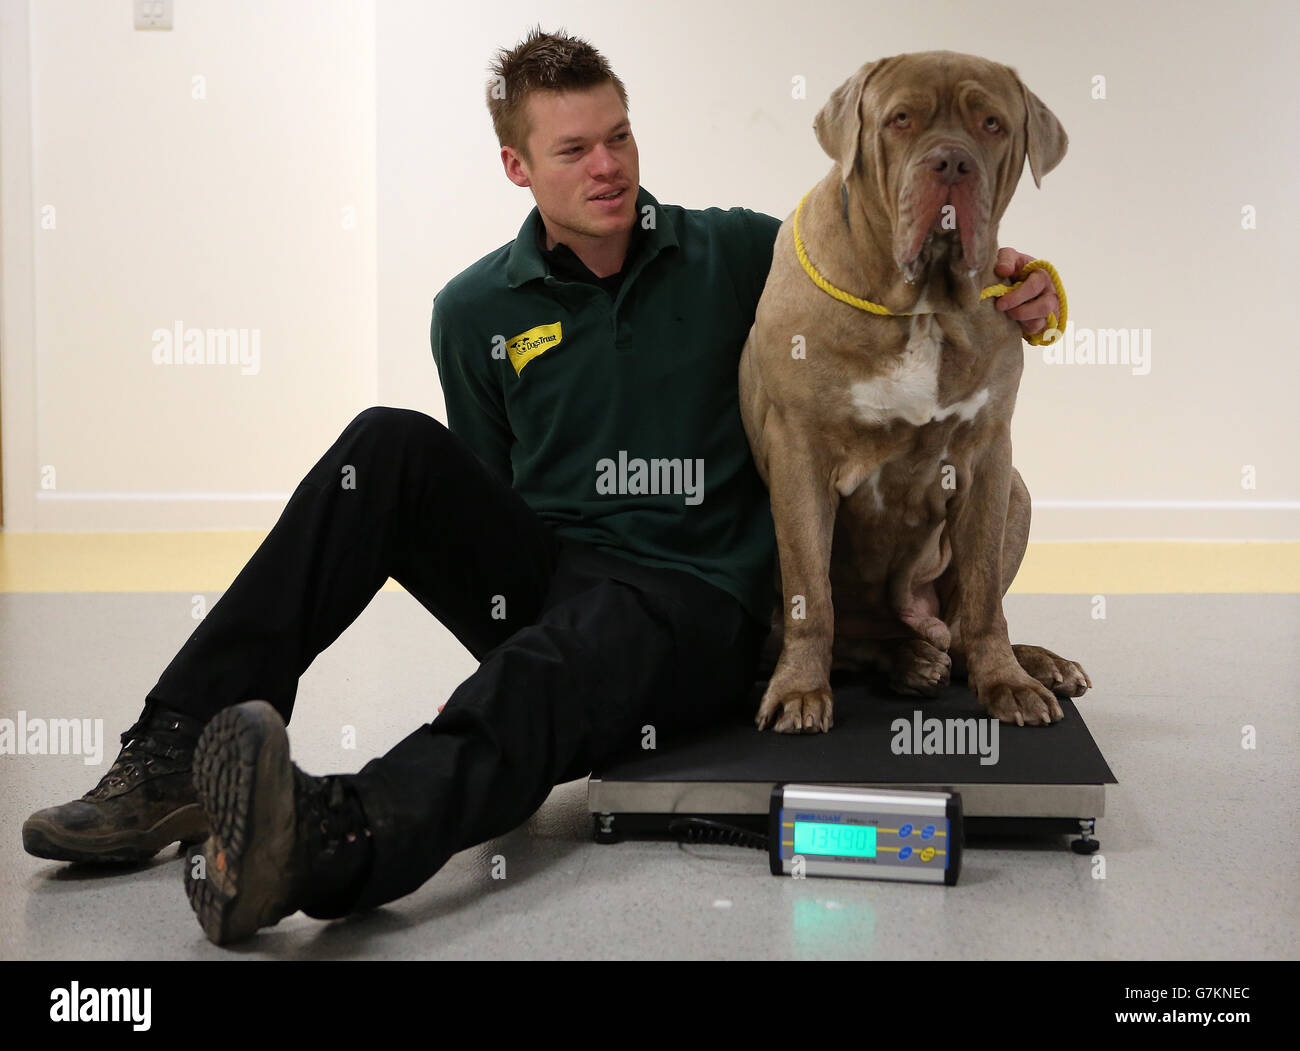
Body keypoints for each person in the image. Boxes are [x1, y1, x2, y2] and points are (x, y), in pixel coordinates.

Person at [21, 28, 1060, 945]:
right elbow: (489, 493)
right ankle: (171, 750)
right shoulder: (471, 309)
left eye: (620, 138)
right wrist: (504, 624)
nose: (607, 167)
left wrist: (1027, 287)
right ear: (516, 165)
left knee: (578, 646)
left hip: (698, 602)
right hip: (560, 576)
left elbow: (884, 255)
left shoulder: (742, 251)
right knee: (383, 444)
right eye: (573, 149)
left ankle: (334, 836)